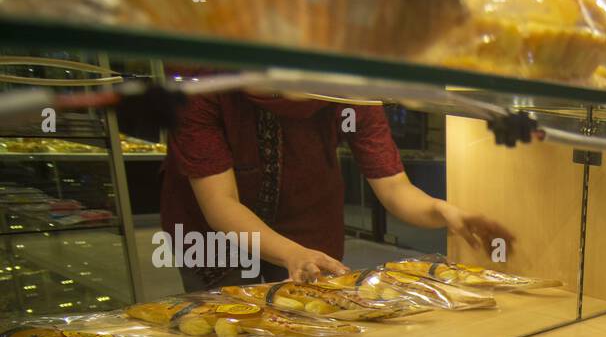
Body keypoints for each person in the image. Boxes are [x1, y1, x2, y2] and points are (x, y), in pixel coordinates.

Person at [160, 90, 513, 291]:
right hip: (213, 238)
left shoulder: (347, 89)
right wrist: (291, 253)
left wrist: (441, 210)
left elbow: (393, 187)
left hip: (308, 216)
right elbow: (220, 203)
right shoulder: (204, 86)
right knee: (230, 334)